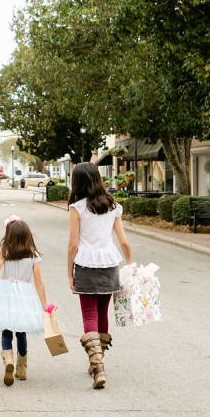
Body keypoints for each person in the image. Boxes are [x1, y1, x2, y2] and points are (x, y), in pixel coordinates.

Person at [67, 161, 134, 390]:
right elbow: (123, 240)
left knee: (89, 314)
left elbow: (73, 246)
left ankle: (97, 367)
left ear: (78, 181)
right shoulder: (113, 206)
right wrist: (131, 264)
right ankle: (98, 362)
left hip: (86, 264)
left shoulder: (77, 208)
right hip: (109, 264)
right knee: (102, 313)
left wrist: (69, 273)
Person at [0, 216, 46, 387]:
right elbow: (38, 282)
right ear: (27, 236)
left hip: (6, 292)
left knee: (6, 331)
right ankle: (21, 369)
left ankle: (8, 359)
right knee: (21, 331)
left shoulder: (5, 251)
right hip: (24, 293)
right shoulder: (33, 255)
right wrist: (45, 305)